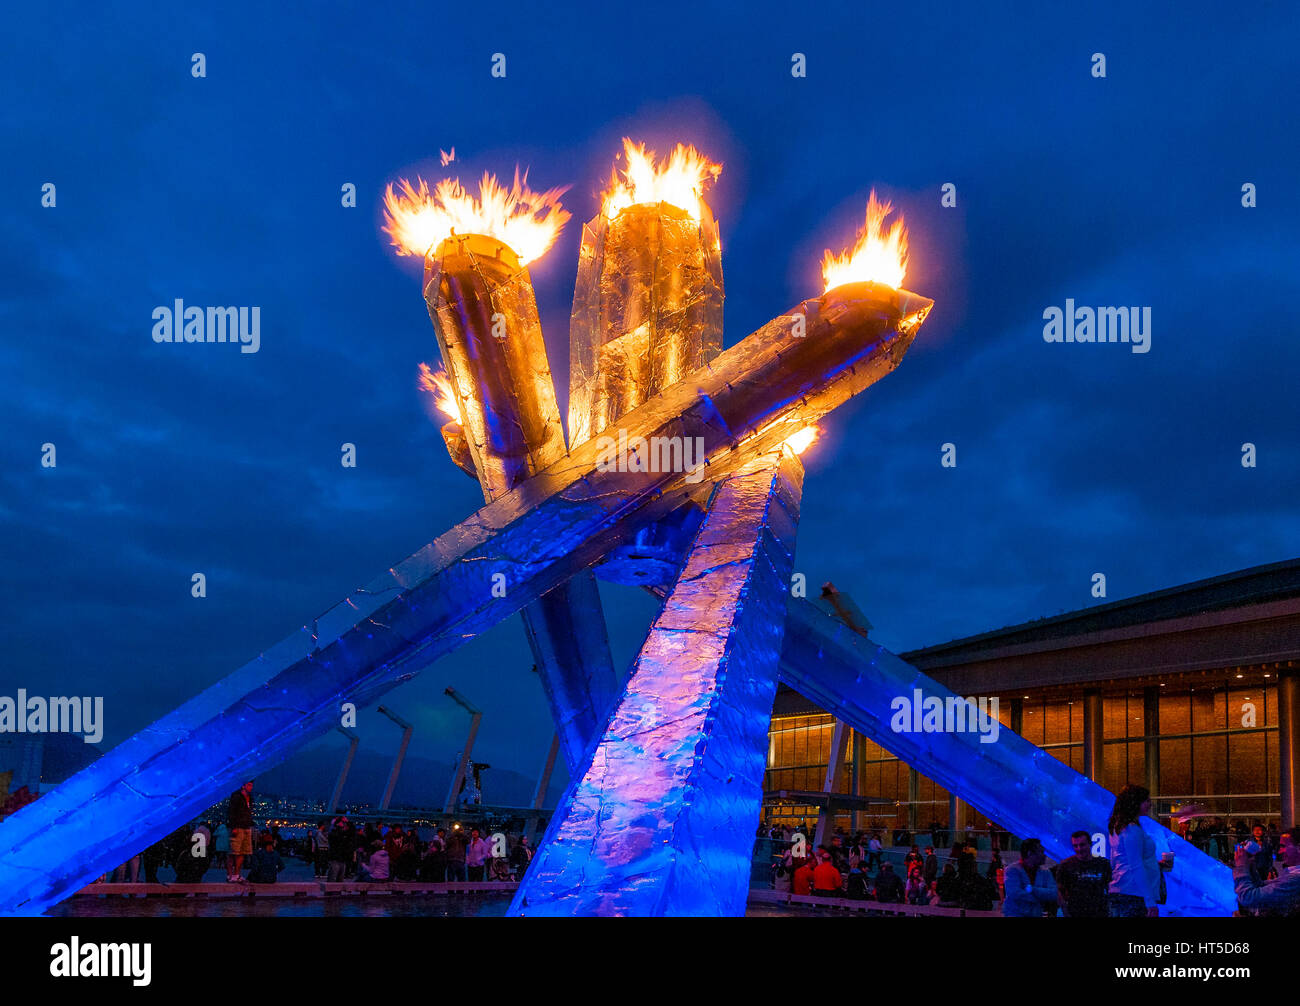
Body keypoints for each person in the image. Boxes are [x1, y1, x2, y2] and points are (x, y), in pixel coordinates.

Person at [1108, 784, 1162, 917]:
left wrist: (1156, 864)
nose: (1150, 804)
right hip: (1134, 893)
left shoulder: (1119, 827)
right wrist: (1149, 901)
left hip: (1125, 890)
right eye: (1146, 801)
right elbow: (1136, 866)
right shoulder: (1131, 829)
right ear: (1135, 803)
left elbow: (1119, 860)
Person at [1234, 835, 1300, 915]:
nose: (1280, 851)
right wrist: (1250, 864)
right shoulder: (1292, 873)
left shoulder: (1295, 879)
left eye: (1283, 846)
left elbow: (1247, 898)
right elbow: (1260, 886)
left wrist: (1241, 866)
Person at [1055, 830, 1112, 918]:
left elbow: (1110, 888)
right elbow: (1060, 892)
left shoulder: (1103, 864)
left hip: (1100, 912)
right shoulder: (1065, 865)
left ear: (1090, 844)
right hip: (1075, 913)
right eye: (1075, 846)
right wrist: (1065, 912)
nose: (1079, 849)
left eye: (1082, 845)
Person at [1001, 838, 1058, 917]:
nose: (1044, 855)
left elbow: (1054, 893)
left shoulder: (1045, 872)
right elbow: (1014, 893)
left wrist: (1032, 889)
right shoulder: (1012, 870)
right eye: (1041, 852)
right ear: (1029, 853)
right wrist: (1040, 897)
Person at [226, 781, 254, 883]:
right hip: (237, 827)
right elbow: (231, 812)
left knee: (243, 852)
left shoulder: (250, 798)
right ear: (243, 785)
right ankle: (230, 875)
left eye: (251, 785)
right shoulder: (236, 796)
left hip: (246, 827)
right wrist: (233, 826)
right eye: (249, 785)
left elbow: (248, 812)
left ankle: (237, 874)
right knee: (233, 852)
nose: (251, 787)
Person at [326, 817, 356, 882]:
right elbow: (337, 840)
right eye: (344, 823)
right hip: (336, 858)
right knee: (333, 878)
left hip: (341, 858)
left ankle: (335, 891)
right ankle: (331, 891)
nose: (345, 825)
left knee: (339, 879)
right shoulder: (334, 833)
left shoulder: (342, 834)